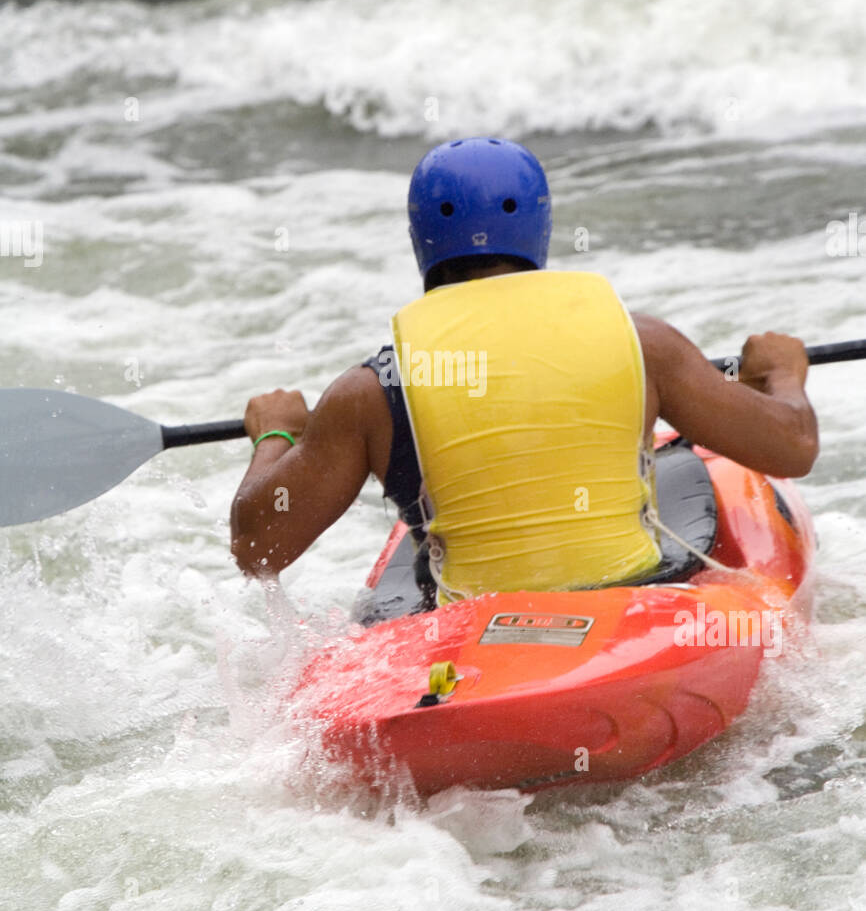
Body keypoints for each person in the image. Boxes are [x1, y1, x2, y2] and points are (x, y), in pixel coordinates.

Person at [231, 138, 818, 591]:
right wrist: (781, 373)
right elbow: (793, 447)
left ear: (421, 240)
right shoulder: (645, 345)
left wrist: (277, 433)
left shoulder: (370, 391)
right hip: (630, 600)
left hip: (473, 633)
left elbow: (258, 549)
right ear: (539, 227)